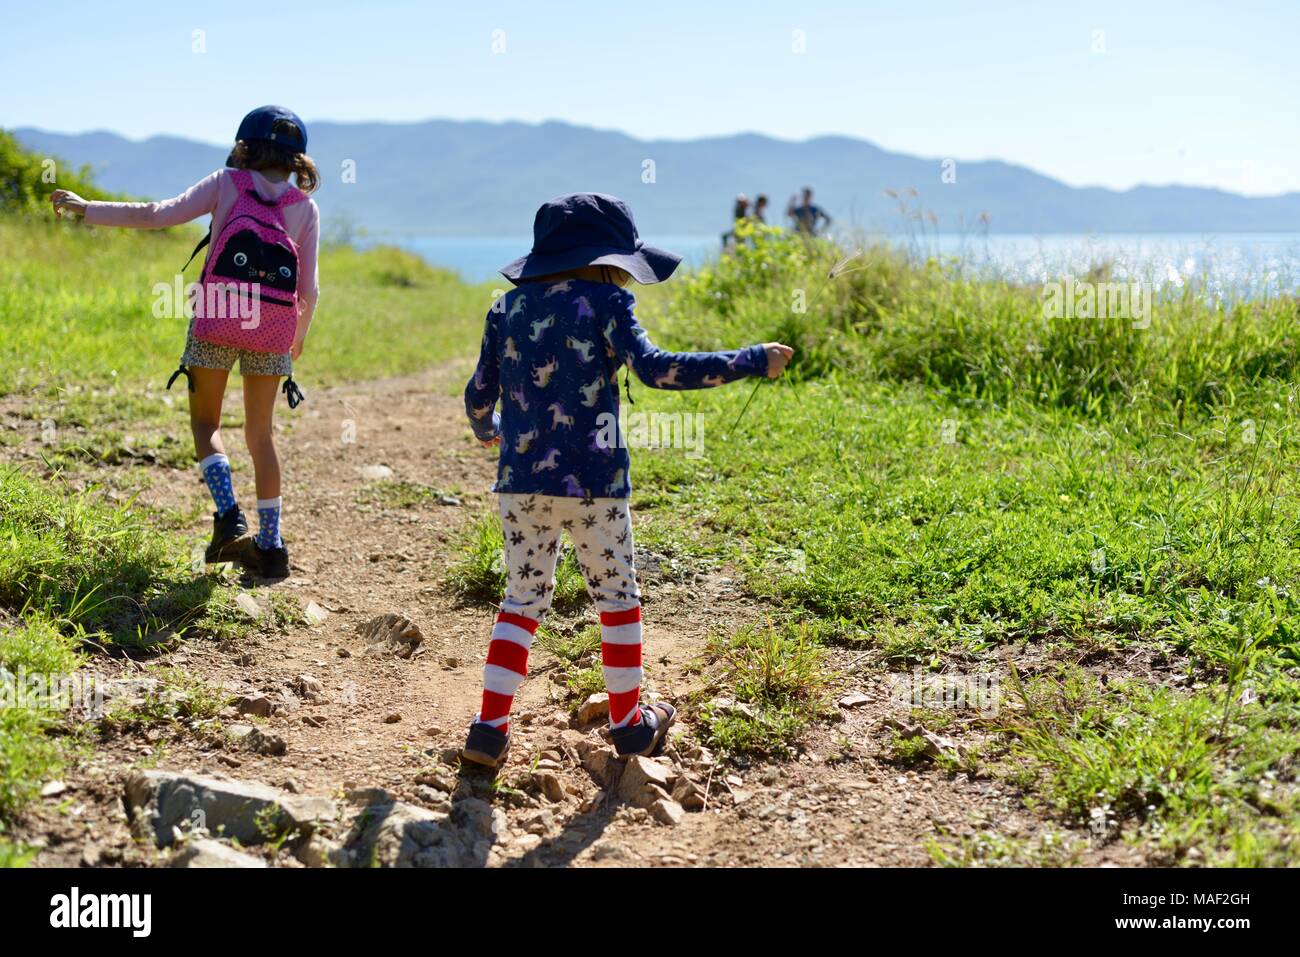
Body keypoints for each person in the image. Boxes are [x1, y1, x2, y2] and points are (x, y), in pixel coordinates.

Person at [460, 192, 793, 769]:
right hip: (595, 485)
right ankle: (629, 725)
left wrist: (486, 428)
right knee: (615, 598)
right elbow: (657, 369)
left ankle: (488, 730)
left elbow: (477, 394)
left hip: (519, 485)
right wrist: (750, 359)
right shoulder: (607, 301)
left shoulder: (504, 309)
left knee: (521, 601)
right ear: (611, 259)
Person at [50, 106, 321, 580]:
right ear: (298, 157)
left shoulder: (227, 183)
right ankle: (272, 546)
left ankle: (228, 515)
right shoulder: (305, 207)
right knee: (261, 437)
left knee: (204, 423)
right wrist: (296, 338)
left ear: (245, 144)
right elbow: (309, 290)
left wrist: (85, 208)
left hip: (218, 315)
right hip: (274, 328)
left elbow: (158, 215)